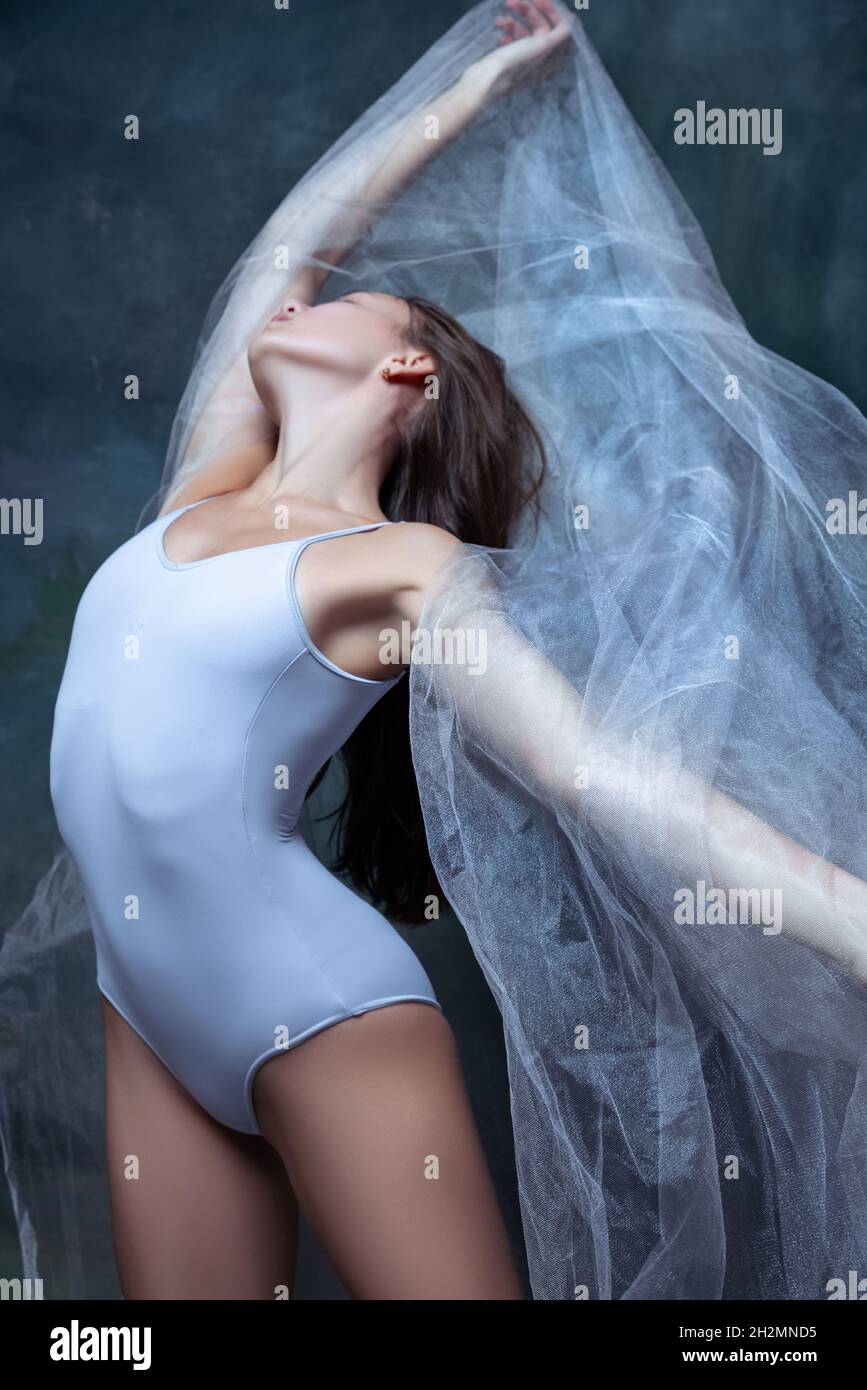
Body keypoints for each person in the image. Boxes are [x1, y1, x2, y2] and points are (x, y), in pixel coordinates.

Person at [11, 0, 867, 1301]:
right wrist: (470, 92)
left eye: (352, 304)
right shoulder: (208, 480)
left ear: (405, 372)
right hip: (149, 1014)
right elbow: (303, 237)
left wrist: (854, 921)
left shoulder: (400, 570)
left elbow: (593, 771)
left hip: (319, 1008)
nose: (307, 295)